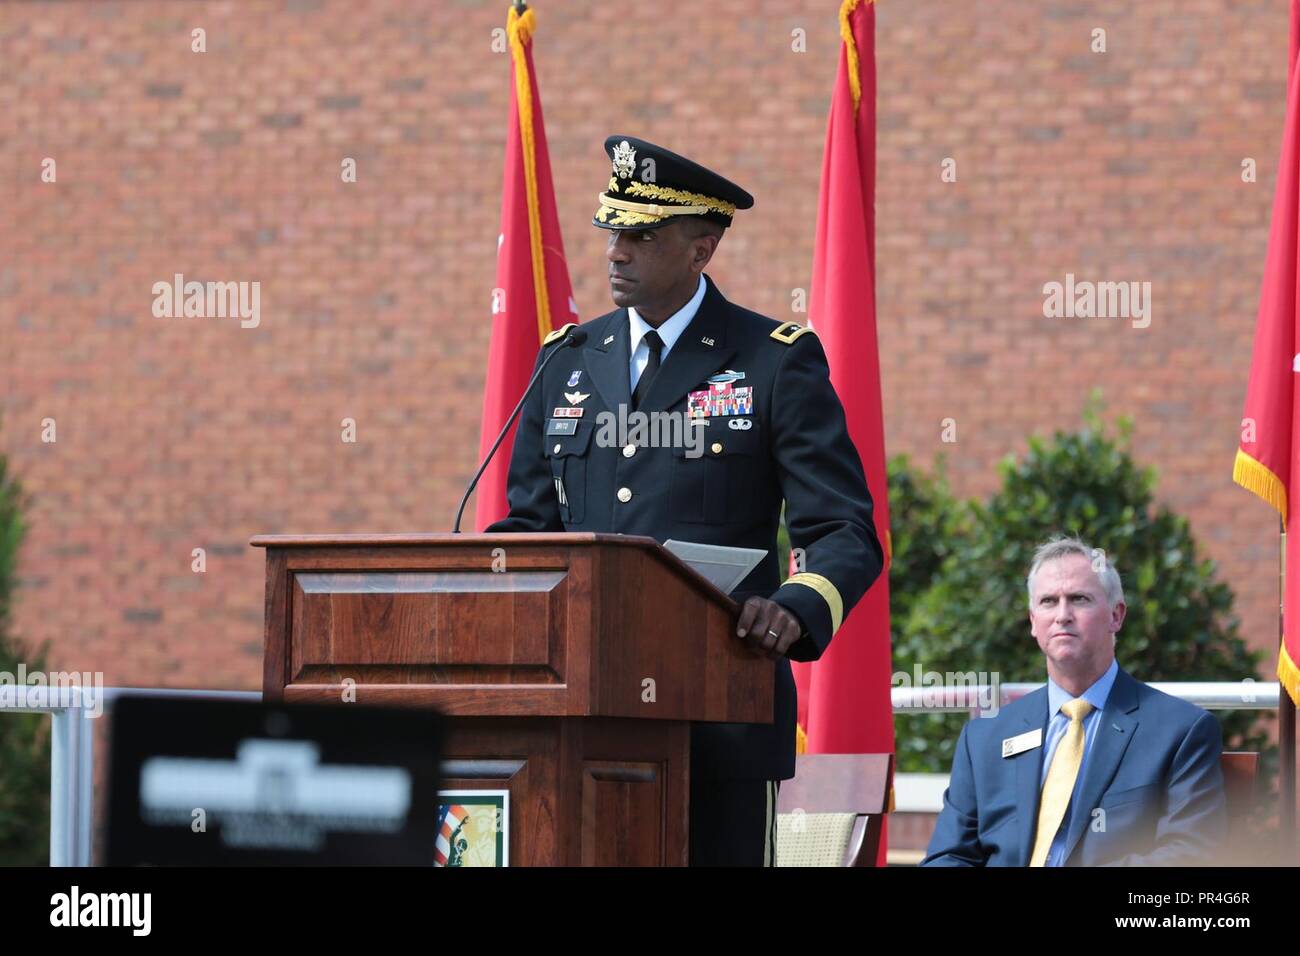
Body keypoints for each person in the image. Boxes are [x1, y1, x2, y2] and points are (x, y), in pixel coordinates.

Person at [486, 135, 884, 865]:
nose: (615, 253)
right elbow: (527, 528)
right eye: (612, 232)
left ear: (700, 249)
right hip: (579, 726)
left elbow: (846, 532)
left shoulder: (773, 360)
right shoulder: (566, 359)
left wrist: (793, 607)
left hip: (719, 719)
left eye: (641, 237)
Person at [922, 536, 1228, 866]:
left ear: (1116, 616)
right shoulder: (984, 739)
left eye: (1079, 599)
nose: (1062, 615)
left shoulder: (1179, 732)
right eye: (1049, 601)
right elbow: (948, 856)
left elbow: (1190, 854)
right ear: (1033, 621)